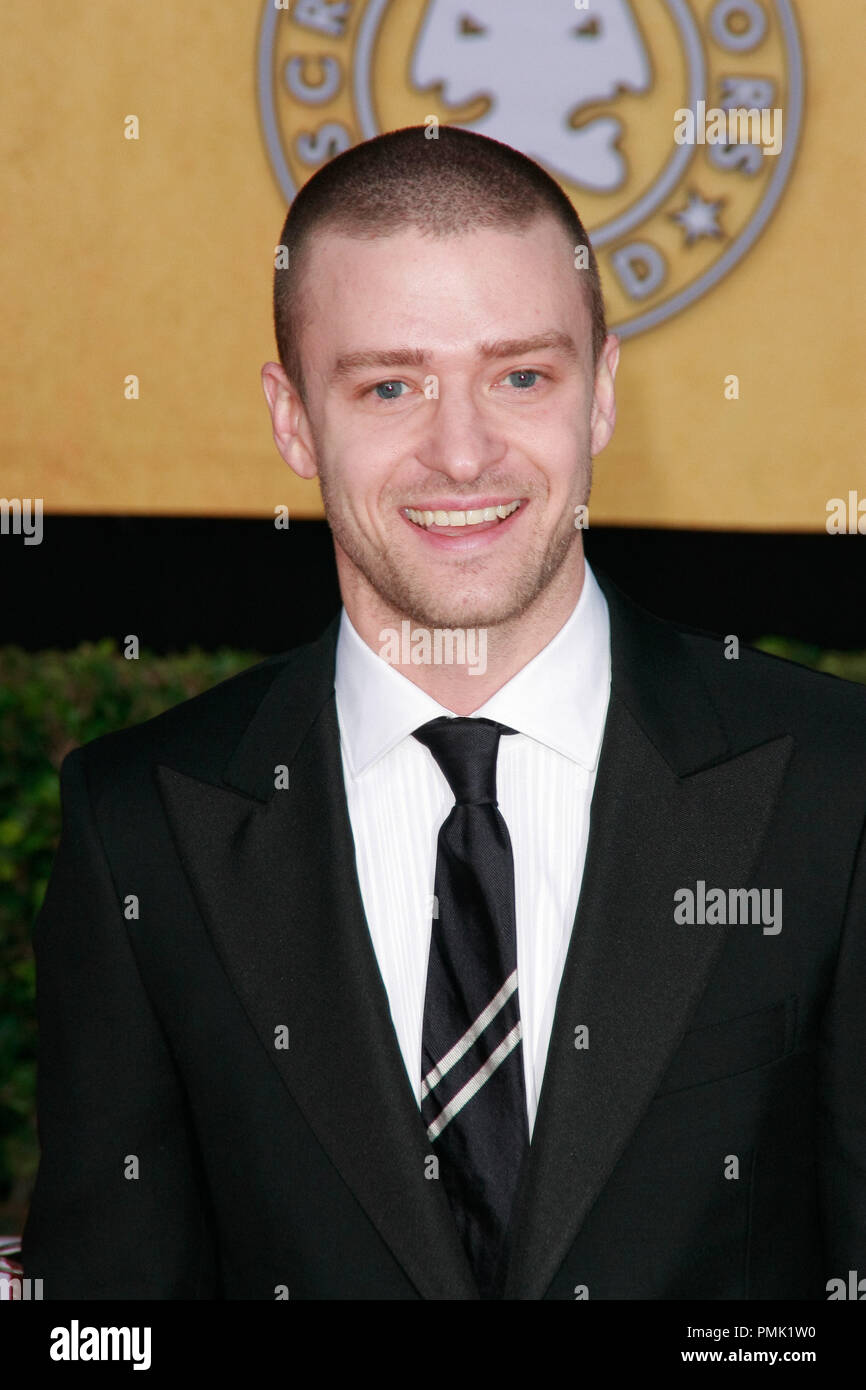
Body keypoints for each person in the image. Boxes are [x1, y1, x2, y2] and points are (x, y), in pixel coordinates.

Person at [21, 125, 866, 1300]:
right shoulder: (143, 824)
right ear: (292, 419)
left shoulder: (834, 784)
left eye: (520, 375)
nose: (461, 453)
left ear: (601, 393)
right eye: (388, 385)